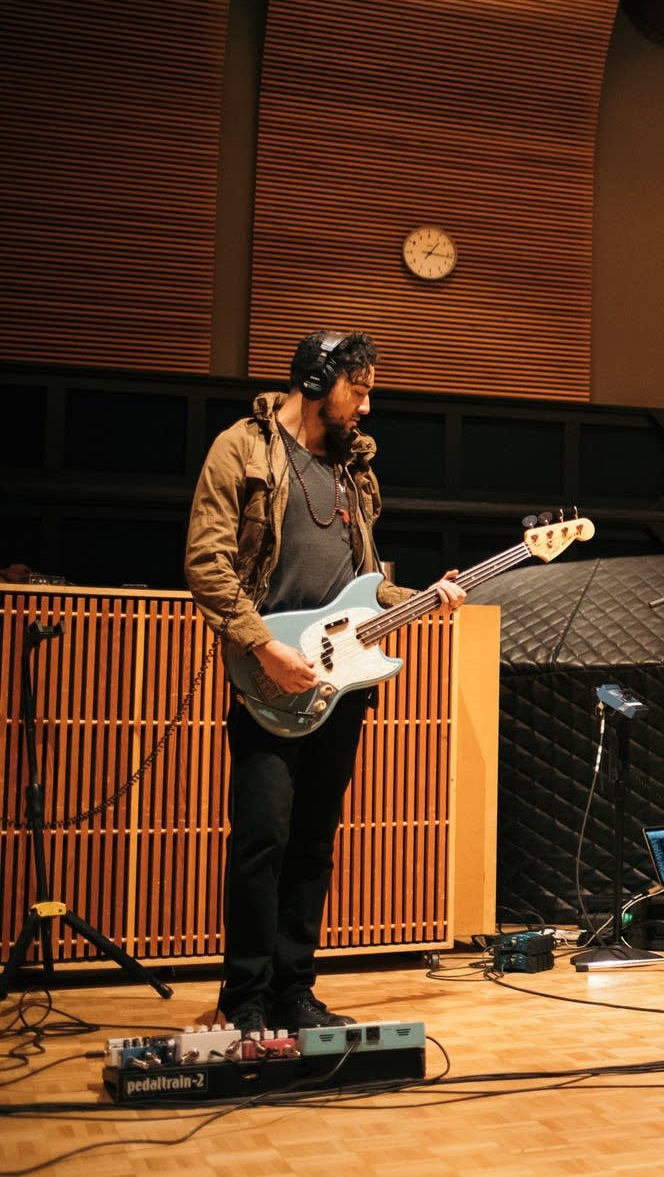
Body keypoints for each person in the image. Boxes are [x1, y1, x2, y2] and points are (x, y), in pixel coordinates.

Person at [185, 330, 466, 1032]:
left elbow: (364, 587)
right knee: (262, 839)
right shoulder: (242, 450)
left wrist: (425, 597)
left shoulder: (354, 471)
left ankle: (294, 988)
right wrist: (264, 649)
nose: (366, 406)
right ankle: (245, 997)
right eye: (359, 389)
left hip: (340, 683)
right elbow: (206, 565)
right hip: (270, 673)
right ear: (315, 384)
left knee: (313, 841)